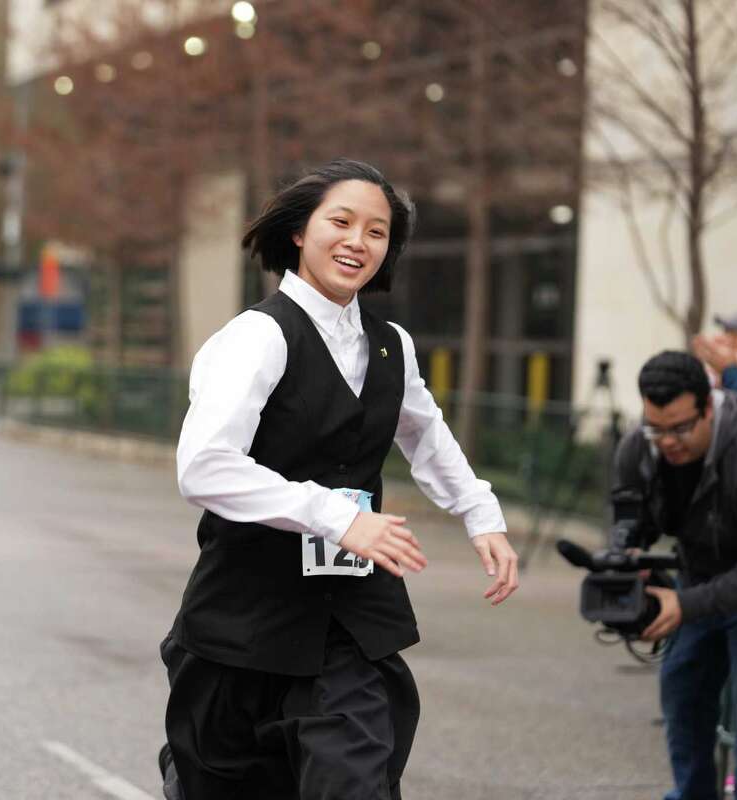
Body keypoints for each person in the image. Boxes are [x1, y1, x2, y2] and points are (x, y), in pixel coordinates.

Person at [159, 159, 519, 800]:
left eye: (377, 232)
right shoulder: (257, 337)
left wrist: (480, 514)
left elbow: (426, 436)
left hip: (347, 619)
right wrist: (337, 516)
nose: (358, 242)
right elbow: (204, 465)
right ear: (300, 231)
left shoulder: (391, 346)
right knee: (224, 782)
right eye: (342, 222)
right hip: (243, 617)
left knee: (353, 780)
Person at [611, 351, 737, 800]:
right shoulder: (639, 448)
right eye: (657, 427)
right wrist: (624, 563)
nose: (668, 441)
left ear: (709, 407)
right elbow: (629, 520)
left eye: (680, 428)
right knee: (683, 700)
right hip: (697, 581)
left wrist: (686, 604)